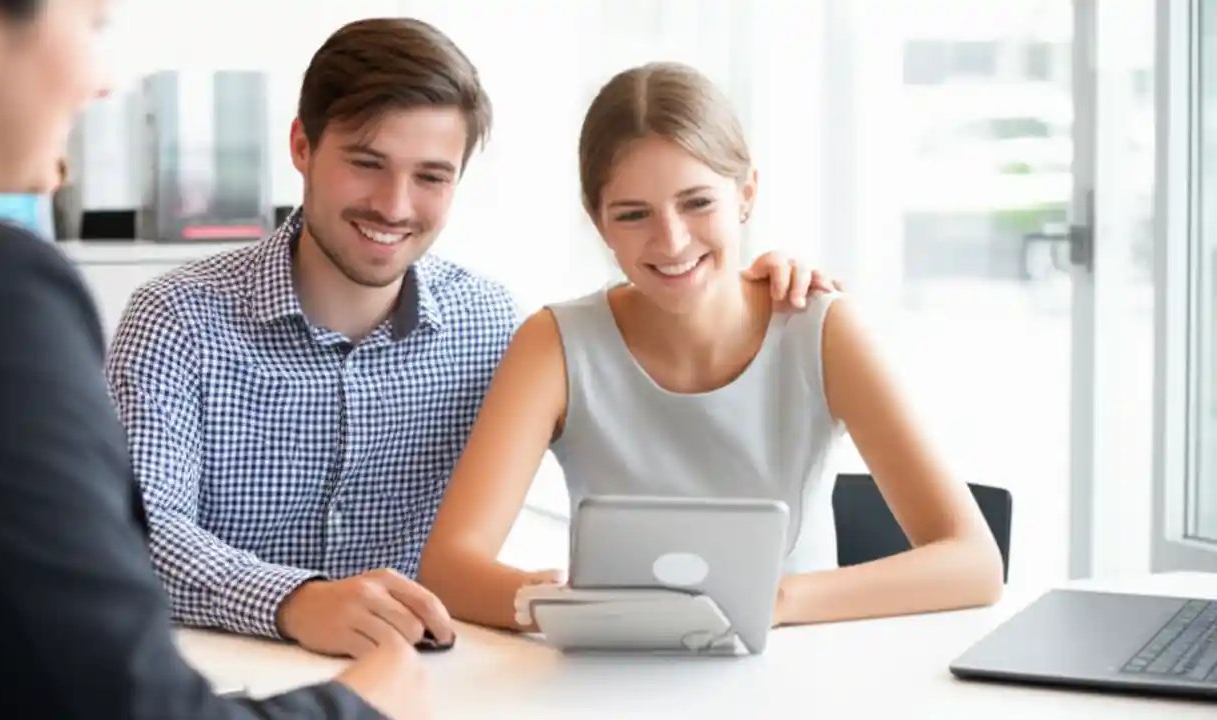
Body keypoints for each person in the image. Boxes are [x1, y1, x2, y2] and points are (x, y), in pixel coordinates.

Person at [104, 16, 841, 659]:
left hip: (421, 681)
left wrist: (748, 287)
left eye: (431, 176)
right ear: (302, 146)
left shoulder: (490, 325)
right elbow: (135, 536)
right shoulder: (177, 321)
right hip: (214, 684)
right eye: (366, 164)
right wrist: (297, 602)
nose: (395, 205)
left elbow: (635, 361)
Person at [0, 1, 427, 717]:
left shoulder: (489, 318)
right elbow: (119, 704)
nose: (105, 83)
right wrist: (362, 705)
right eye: (93, 25)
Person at [417, 61, 1005, 632]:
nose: (671, 240)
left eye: (697, 202)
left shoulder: (820, 328)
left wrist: (774, 600)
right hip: (618, 674)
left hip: (799, 671)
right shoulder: (554, 345)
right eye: (632, 214)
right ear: (598, 222)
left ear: (746, 193)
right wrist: (564, 604)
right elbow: (449, 567)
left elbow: (973, 562)